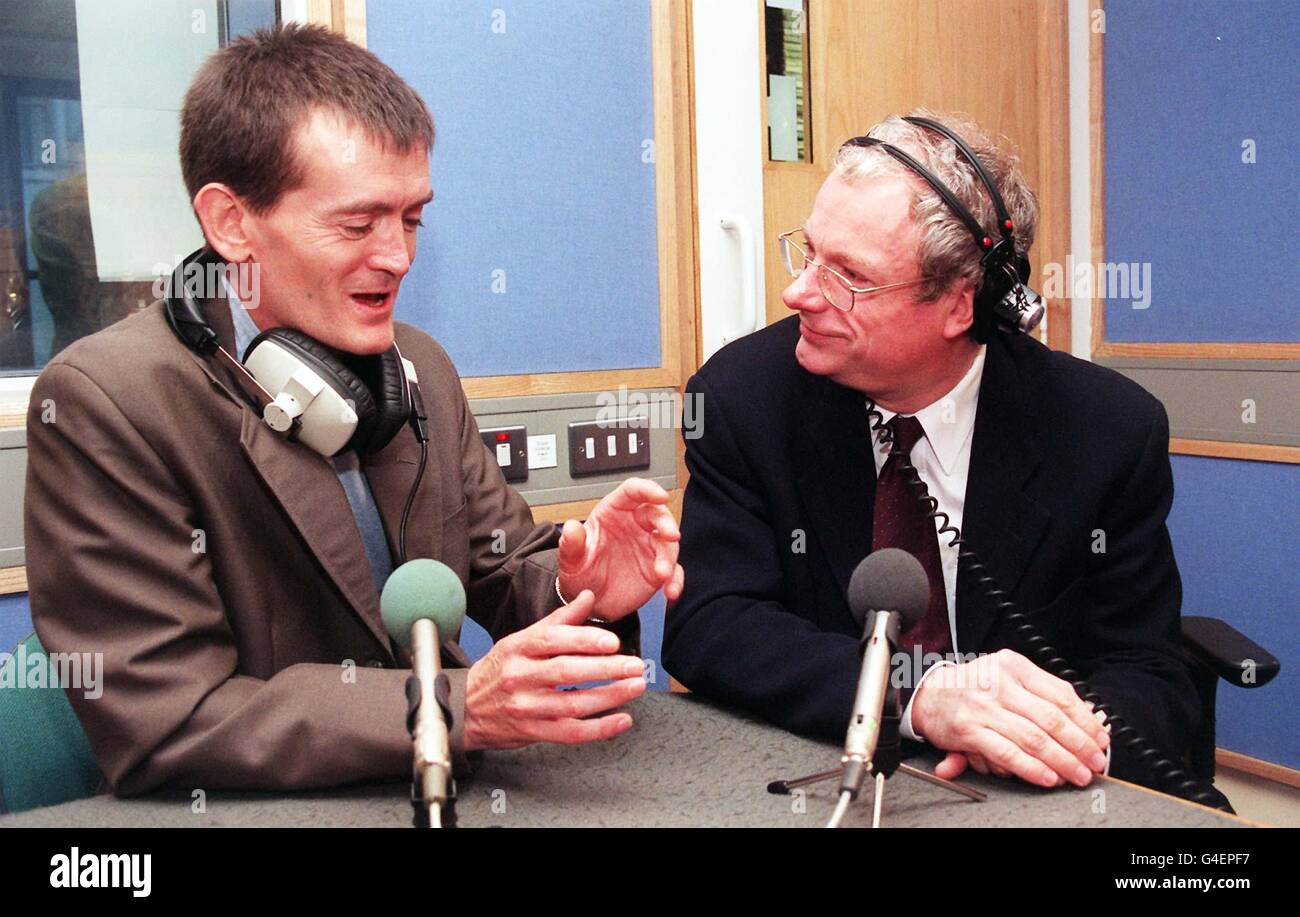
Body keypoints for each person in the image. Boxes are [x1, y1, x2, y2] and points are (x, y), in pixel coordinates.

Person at [24, 23, 682, 796]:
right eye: (358, 222)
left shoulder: (417, 369)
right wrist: (446, 706)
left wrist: (584, 587)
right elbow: (174, 719)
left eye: (411, 219)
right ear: (231, 222)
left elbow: (503, 567)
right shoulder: (108, 403)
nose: (398, 256)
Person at [663, 109, 1200, 792]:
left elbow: (1149, 673)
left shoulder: (1108, 431)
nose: (798, 292)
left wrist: (1036, 733)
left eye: (848, 276)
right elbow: (711, 624)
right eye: (809, 251)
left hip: (1025, 795)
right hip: (814, 781)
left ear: (959, 306)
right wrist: (920, 695)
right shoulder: (742, 400)